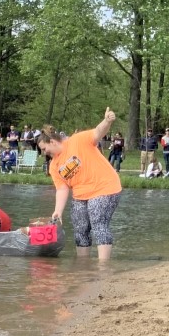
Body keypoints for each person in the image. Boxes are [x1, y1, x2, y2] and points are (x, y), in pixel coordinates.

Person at [37, 108, 123, 260]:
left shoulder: (77, 140)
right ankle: (83, 267)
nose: (44, 153)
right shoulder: (54, 165)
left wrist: (107, 121)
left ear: (52, 141)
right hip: (80, 195)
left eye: (44, 149)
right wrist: (58, 211)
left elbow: (97, 132)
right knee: (80, 228)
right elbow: (62, 189)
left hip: (104, 187)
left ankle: (103, 268)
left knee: (98, 224)